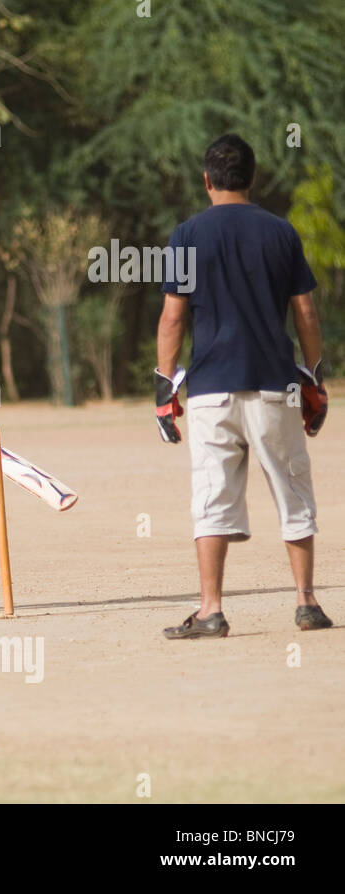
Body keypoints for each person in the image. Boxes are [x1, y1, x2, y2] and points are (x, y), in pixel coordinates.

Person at [156, 133, 331, 639]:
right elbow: (305, 311)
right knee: (293, 489)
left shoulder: (187, 234)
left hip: (211, 388)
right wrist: (314, 376)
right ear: (251, 179)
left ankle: (211, 609)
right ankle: (306, 603)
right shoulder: (280, 232)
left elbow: (172, 319)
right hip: (275, 383)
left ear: (207, 180)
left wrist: (165, 387)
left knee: (211, 498)